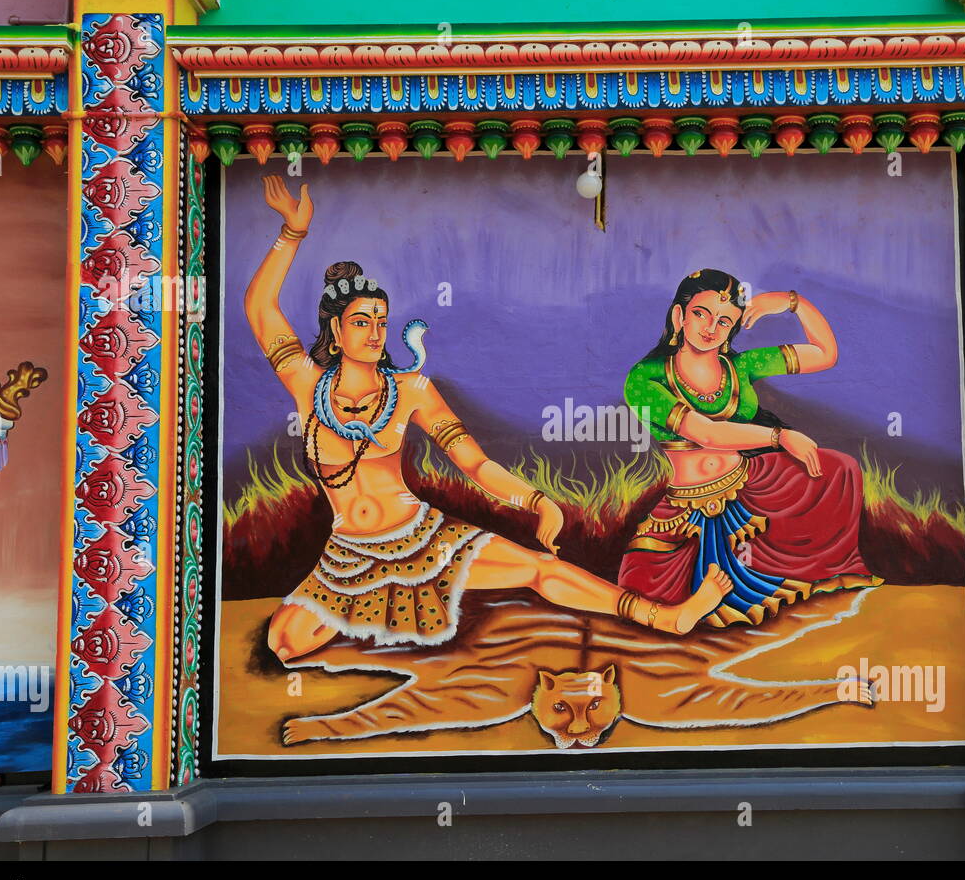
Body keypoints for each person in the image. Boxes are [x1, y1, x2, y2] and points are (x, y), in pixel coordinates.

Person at [245, 179, 732, 677]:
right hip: (347, 554)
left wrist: (536, 501)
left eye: (382, 322)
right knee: (285, 642)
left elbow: (474, 461)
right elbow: (261, 311)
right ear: (335, 330)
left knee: (540, 569)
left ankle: (665, 617)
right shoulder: (308, 385)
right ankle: (377, 607)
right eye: (361, 322)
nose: (374, 333)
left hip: (423, 542)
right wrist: (292, 233)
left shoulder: (410, 389)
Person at [619, 269, 880, 627]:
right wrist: (779, 437)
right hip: (685, 504)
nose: (711, 327)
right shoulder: (644, 378)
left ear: (734, 328)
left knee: (839, 471)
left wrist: (792, 303)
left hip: (749, 486)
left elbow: (825, 354)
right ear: (679, 316)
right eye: (701, 313)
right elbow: (706, 433)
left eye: (725, 321)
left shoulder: (741, 367)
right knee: (638, 582)